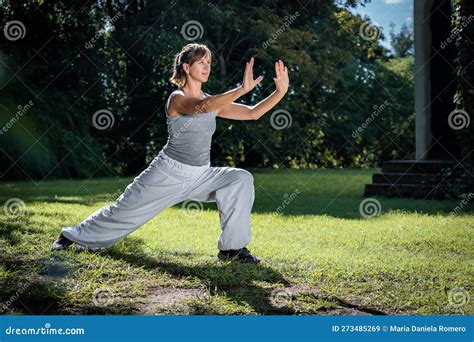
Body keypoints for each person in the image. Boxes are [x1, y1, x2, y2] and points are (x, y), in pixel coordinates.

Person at [52, 43, 289, 264]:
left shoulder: (212, 100)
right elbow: (199, 108)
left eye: (209, 62)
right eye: (201, 62)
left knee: (240, 179)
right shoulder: (177, 98)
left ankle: (232, 249)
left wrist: (280, 92)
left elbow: (252, 113)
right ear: (187, 67)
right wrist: (241, 89)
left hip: (200, 175)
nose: (207, 66)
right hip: (168, 173)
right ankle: (71, 237)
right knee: (123, 212)